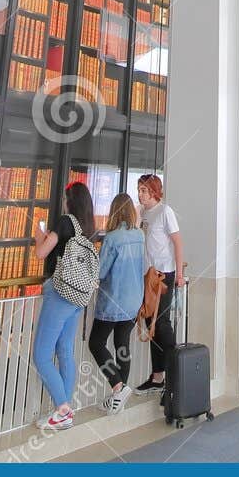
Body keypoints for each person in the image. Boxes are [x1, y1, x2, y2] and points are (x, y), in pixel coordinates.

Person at [30, 181, 96, 430]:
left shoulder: (65, 221)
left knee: (41, 355)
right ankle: (65, 411)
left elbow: (41, 254)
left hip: (60, 292)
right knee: (65, 350)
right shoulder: (89, 226)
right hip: (79, 295)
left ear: (70, 200)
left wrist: (39, 238)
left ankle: (63, 409)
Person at [89, 193, 145, 415]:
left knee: (96, 343)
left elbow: (101, 271)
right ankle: (119, 396)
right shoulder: (140, 235)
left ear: (113, 211)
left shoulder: (112, 238)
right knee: (122, 345)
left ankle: (118, 386)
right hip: (133, 300)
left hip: (113, 300)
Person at [135, 173, 184, 395]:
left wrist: (180, 274)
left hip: (164, 274)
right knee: (150, 324)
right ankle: (157, 377)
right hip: (148, 274)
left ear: (154, 191)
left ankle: (177, 372)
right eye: (139, 190)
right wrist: (137, 215)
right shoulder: (143, 213)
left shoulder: (166, 212)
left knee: (162, 323)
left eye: (144, 190)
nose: (140, 194)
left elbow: (177, 242)